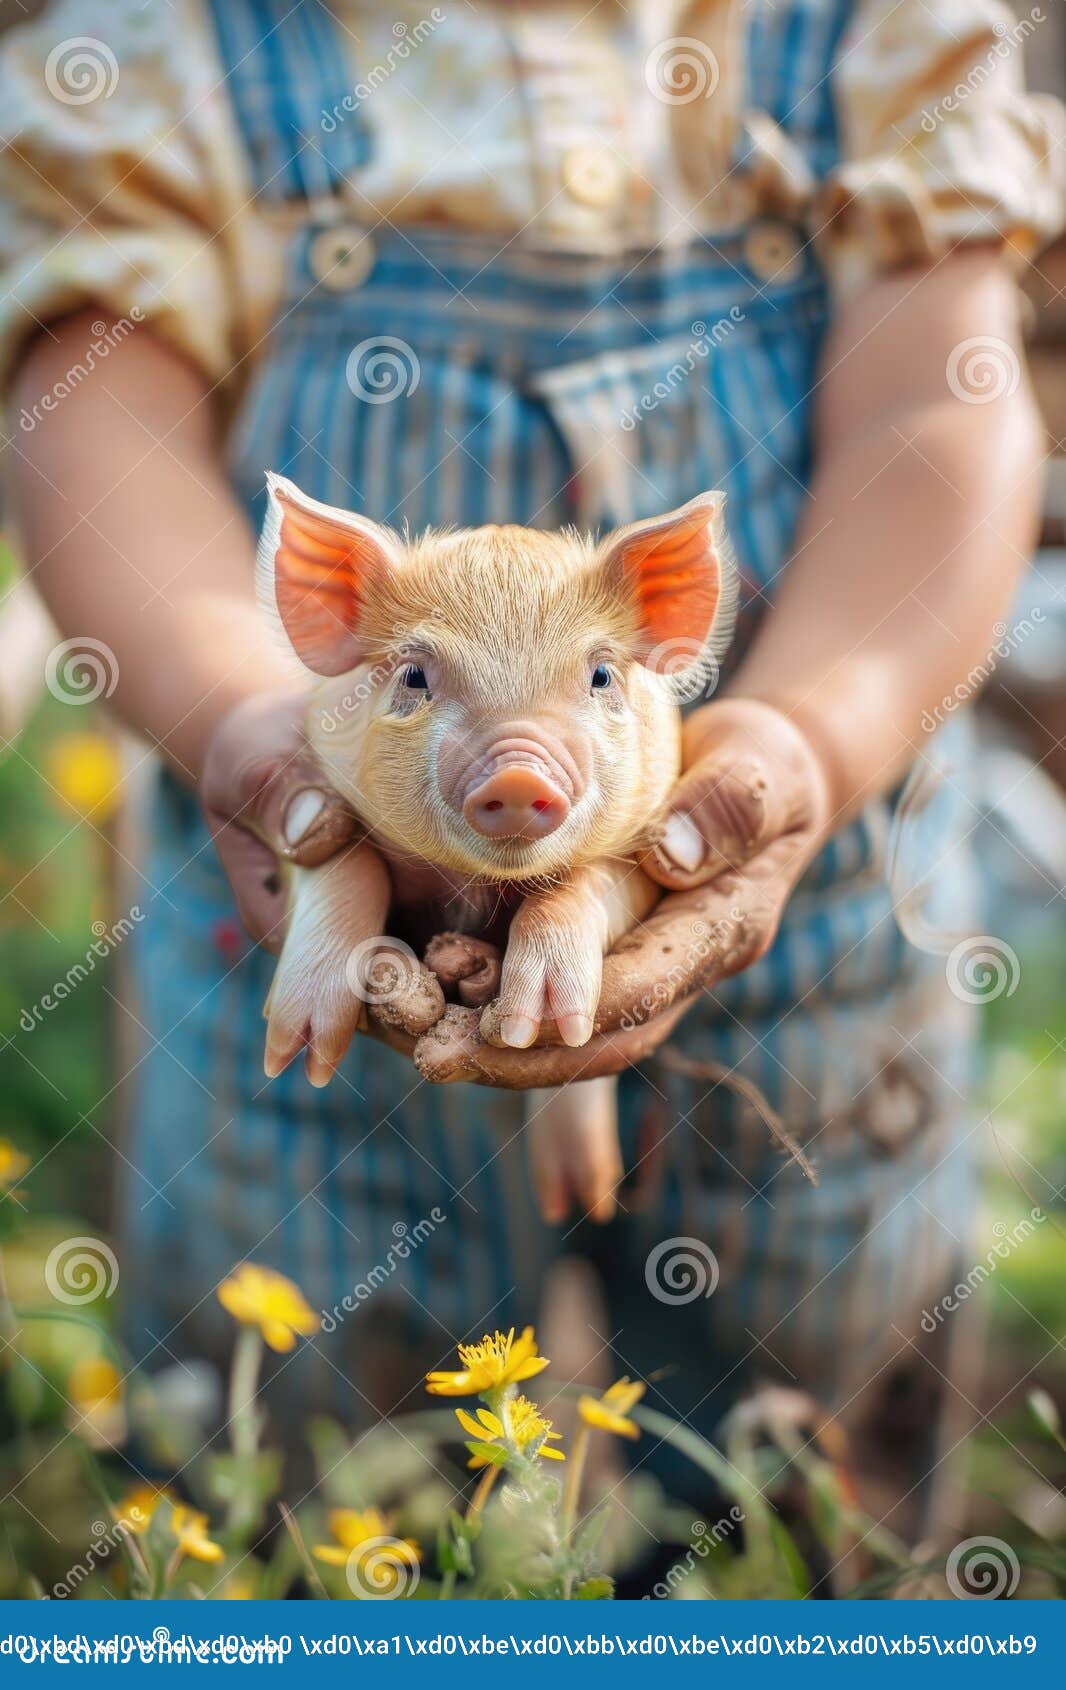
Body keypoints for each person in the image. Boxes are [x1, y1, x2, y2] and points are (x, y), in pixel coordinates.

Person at [1, 0, 1061, 1530]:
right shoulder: (164, 40)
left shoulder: (862, 25)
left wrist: (797, 740)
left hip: (807, 929)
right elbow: (91, 411)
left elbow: (940, 403)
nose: (510, 767)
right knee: (311, 1479)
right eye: (411, 682)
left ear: (664, 604)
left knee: (789, 1479)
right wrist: (251, 734)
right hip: (286, 959)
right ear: (331, 600)